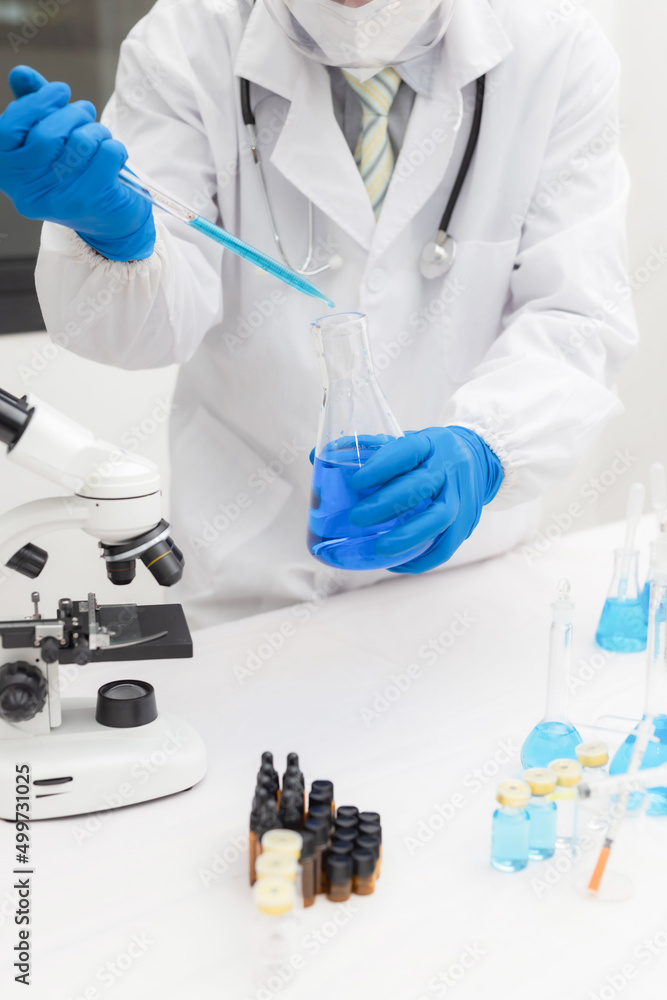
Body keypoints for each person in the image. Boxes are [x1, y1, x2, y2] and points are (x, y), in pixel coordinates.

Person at [0, 0, 637, 628]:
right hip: (252, 586)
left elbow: (577, 314)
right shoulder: (188, 38)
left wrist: (489, 447)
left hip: (467, 581)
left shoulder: (554, 46)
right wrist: (112, 235)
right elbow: (143, 331)